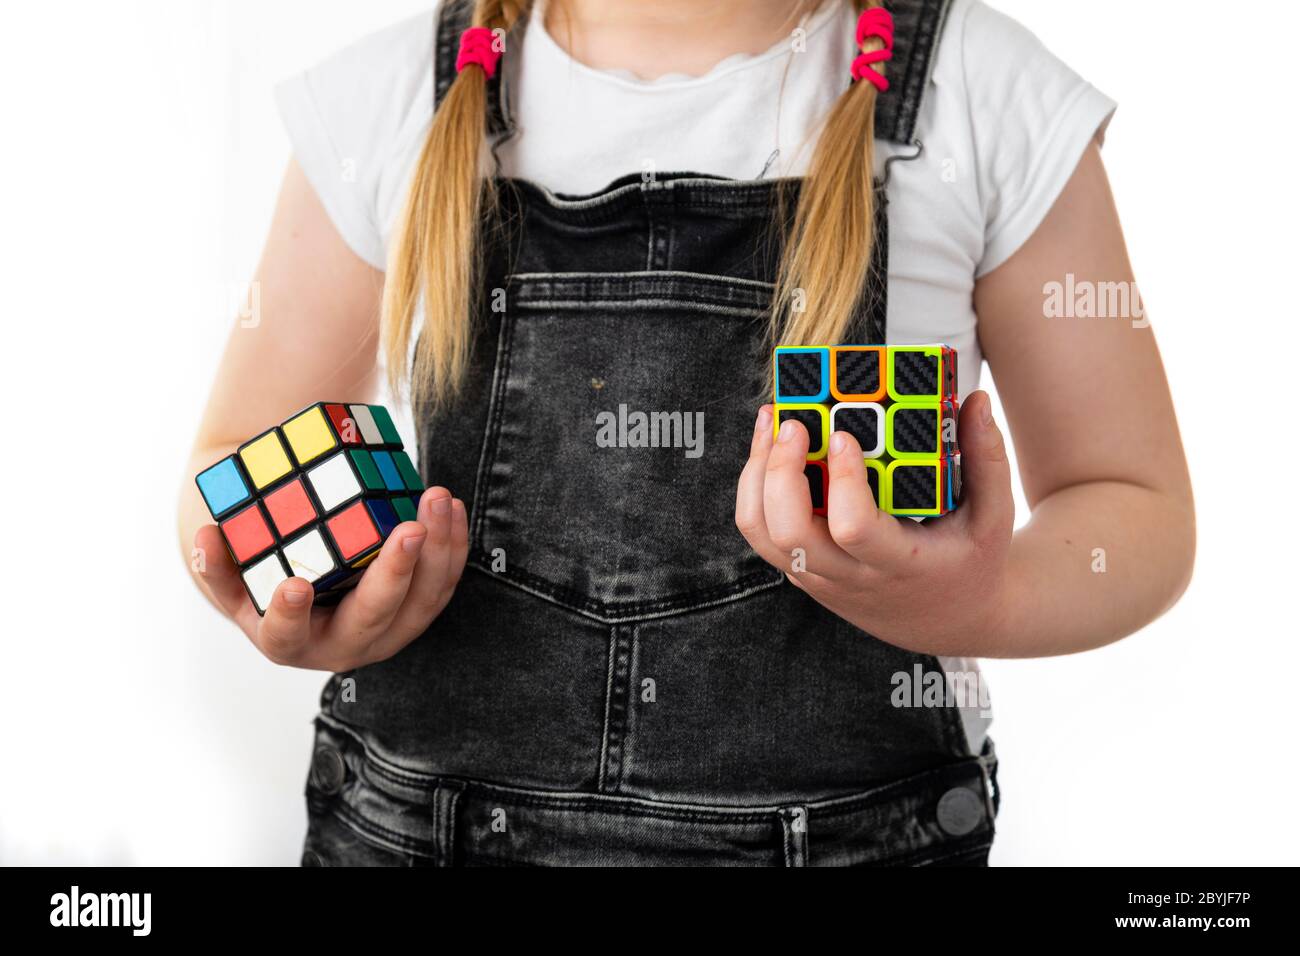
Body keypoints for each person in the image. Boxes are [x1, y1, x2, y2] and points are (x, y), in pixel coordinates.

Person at [180, 0, 1195, 866]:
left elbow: (1134, 507)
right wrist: (274, 594)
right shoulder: (391, 94)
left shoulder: (982, 93)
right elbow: (228, 467)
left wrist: (985, 597)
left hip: (854, 836)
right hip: (419, 829)